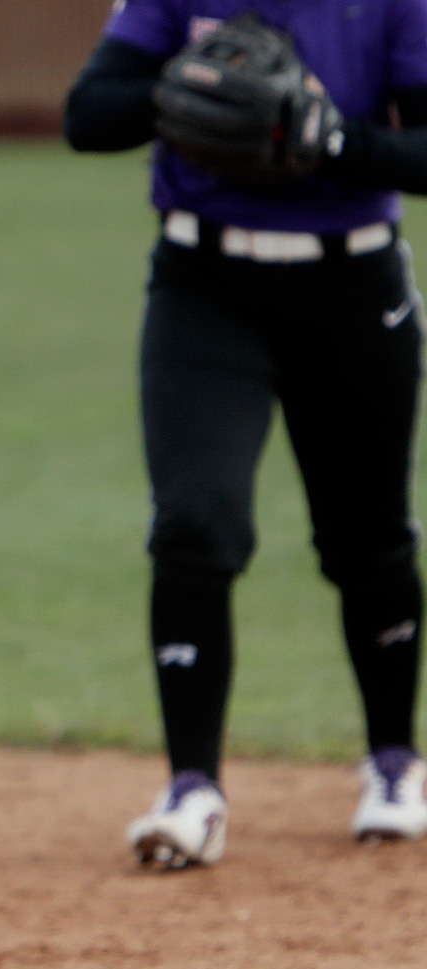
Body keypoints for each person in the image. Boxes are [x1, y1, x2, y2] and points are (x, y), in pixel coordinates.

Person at [67, 2, 427, 866]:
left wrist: (335, 141)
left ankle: (394, 762)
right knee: (195, 521)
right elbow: (87, 116)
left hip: (352, 286)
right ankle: (193, 789)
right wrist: (186, 87)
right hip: (204, 289)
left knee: (367, 537)